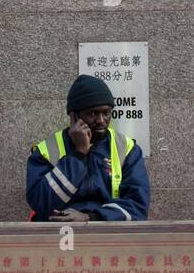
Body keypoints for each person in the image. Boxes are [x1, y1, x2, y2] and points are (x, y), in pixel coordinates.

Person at [26, 74, 150, 222]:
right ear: (73, 116)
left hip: (109, 234)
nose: (101, 121)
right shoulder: (46, 150)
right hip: (59, 234)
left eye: (106, 112)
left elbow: (138, 206)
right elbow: (40, 203)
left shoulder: (127, 148)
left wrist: (90, 218)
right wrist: (78, 155)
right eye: (93, 113)